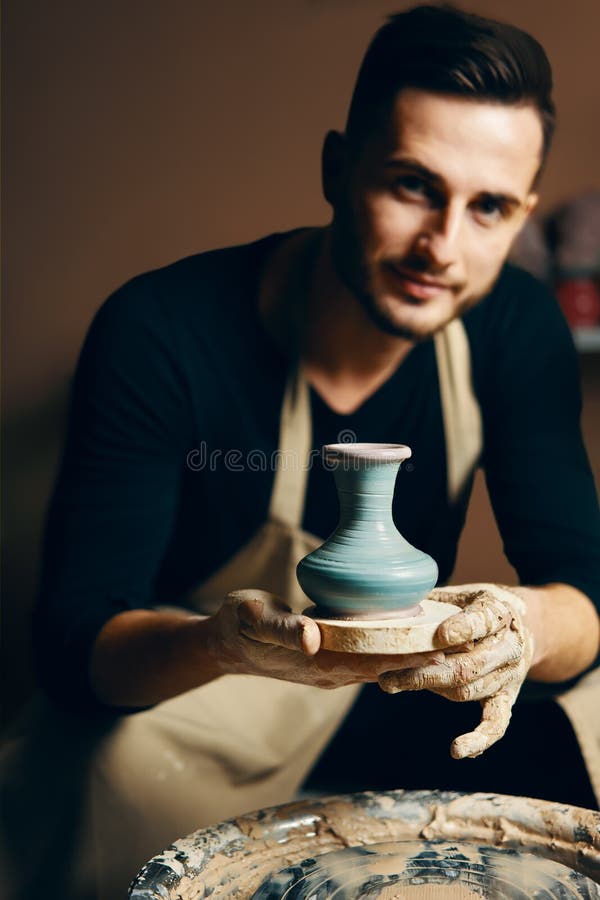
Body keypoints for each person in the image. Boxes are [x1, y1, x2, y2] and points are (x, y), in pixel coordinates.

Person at [2, 5, 599, 899]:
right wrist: (227, 646)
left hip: (397, 687)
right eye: (411, 186)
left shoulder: (516, 324)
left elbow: (583, 597)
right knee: (107, 767)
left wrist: (519, 627)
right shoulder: (162, 330)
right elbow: (76, 649)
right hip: (204, 685)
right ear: (336, 168)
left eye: (489, 209)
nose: (443, 247)